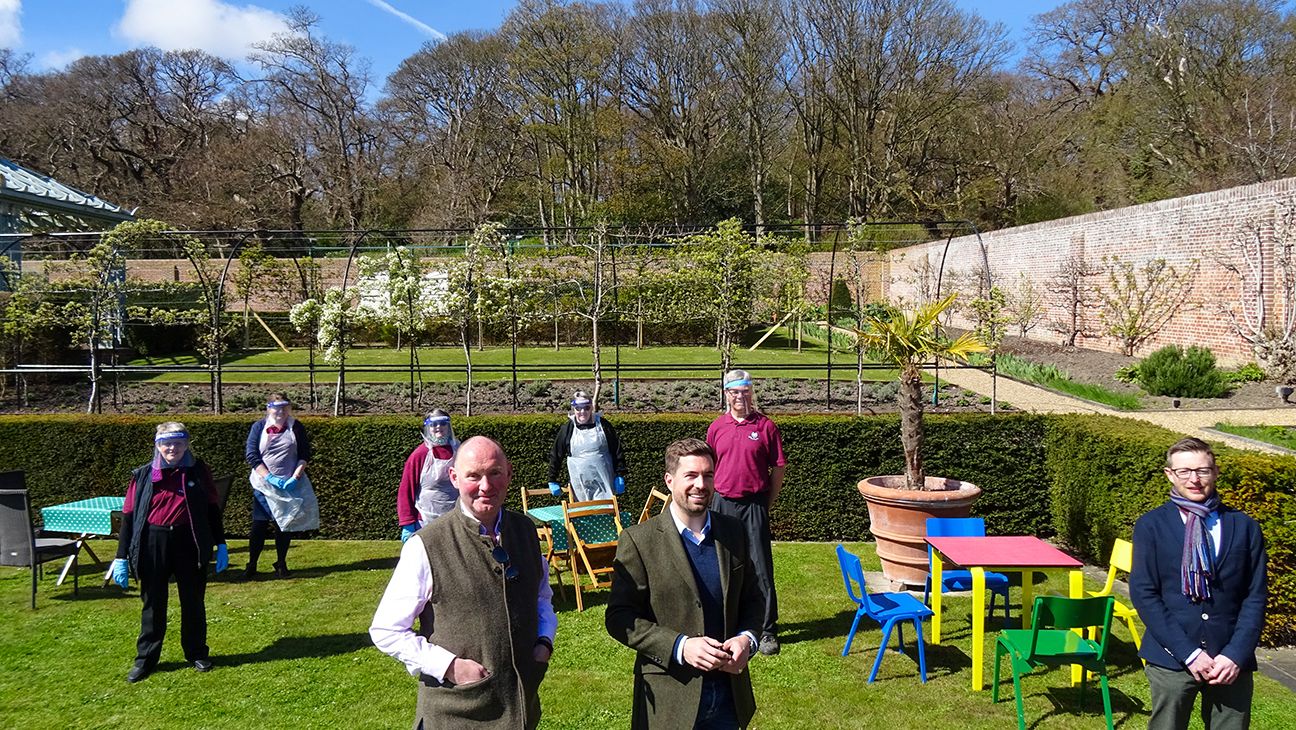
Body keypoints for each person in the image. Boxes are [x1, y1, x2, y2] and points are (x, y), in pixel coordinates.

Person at [370, 436, 557, 730]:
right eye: (474, 476)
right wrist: (449, 667)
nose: (486, 486)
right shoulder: (427, 545)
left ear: (509, 473)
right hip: (456, 714)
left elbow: (541, 597)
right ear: (454, 478)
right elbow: (386, 630)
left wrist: (544, 642)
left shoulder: (525, 531)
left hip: (521, 710)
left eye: (495, 473)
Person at [605, 437, 763, 730]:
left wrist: (748, 639)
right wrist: (680, 646)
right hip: (670, 700)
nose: (700, 484)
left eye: (708, 475)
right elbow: (619, 617)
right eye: (690, 475)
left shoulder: (733, 531)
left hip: (729, 697)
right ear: (669, 480)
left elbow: (754, 598)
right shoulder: (639, 541)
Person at [1130, 437, 1267, 730]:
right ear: (1170, 474)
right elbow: (1145, 594)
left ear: (1215, 472)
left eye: (1203, 471)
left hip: (1230, 662)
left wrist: (1235, 654)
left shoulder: (1244, 527)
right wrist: (1190, 653)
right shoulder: (1151, 526)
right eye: (1184, 471)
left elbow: (1255, 596)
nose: (1194, 479)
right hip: (1172, 658)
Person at [110, 422, 229, 683]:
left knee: (193, 601)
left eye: (177, 442)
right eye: (166, 443)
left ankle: (196, 652)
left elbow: (211, 509)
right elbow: (128, 517)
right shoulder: (142, 475)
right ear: (158, 445)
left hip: (190, 541)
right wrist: (120, 556)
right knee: (153, 603)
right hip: (153, 541)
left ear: (186, 444)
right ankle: (146, 660)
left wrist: (220, 543)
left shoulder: (198, 471)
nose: (172, 448)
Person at [705, 369, 786, 656]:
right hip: (723, 505)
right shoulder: (716, 428)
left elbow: (778, 468)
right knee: (722, 564)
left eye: (745, 391)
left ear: (751, 392)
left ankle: (766, 630)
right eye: (734, 391)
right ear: (726, 393)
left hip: (754, 504)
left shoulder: (765, 427)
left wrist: (766, 502)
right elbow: (710, 468)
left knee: (760, 566)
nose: (740, 396)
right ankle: (728, 623)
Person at [243, 393, 320, 579]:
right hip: (264, 485)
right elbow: (252, 455)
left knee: (284, 524)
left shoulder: (296, 427)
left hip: (289, 484)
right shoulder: (259, 427)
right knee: (259, 525)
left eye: (284, 407)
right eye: (276, 408)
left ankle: (281, 563)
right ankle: (252, 564)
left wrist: (295, 476)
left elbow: (304, 454)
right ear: (269, 409)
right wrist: (269, 477)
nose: (280, 411)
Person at [547, 390, 628, 502]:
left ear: (591, 408)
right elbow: (556, 454)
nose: (582, 411)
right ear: (573, 409)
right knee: (583, 515)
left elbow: (617, 450)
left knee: (606, 513)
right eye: (578, 408)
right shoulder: (568, 429)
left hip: (605, 484)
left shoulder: (604, 425)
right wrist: (552, 479)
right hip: (579, 486)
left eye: (586, 408)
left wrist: (620, 474)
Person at [397, 409, 461, 542]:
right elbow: (406, 489)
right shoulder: (420, 454)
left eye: (443, 423)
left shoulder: (459, 450)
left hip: (456, 519)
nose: (439, 427)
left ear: (449, 426)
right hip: (425, 521)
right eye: (434, 424)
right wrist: (407, 522)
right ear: (428, 427)